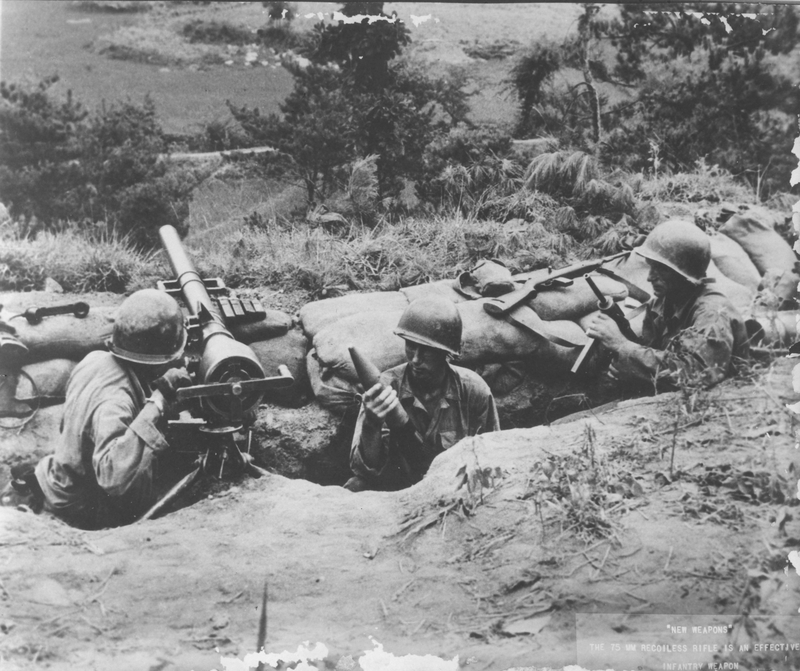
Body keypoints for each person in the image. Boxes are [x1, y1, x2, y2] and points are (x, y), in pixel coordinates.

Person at [20, 289, 194, 529]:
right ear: (158, 361)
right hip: (81, 505)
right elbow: (113, 478)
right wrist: (159, 402)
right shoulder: (116, 402)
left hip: (57, 477)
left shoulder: (94, 360)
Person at [345, 296, 500, 492]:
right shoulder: (385, 388)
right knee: (355, 486)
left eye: (427, 350)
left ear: (447, 352)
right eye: (410, 345)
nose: (416, 359)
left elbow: (493, 457)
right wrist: (371, 425)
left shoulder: (473, 391)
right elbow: (363, 469)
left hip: (454, 487)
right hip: (397, 490)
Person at [586, 219, 750, 392]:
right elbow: (654, 353)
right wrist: (627, 367)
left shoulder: (711, 312)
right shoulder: (662, 303)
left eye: (660, 270)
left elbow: (696, 373)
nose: (650, 278)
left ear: (683, 274)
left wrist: (623, 346)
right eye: (651, 268)